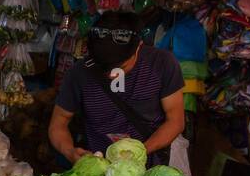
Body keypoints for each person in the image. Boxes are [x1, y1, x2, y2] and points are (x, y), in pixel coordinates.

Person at [49, 10, 186, 167]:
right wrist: (69, 151)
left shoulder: (162, 64)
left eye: (121, 66)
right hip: (101, 169)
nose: (112, 75)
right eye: (104, 68)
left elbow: (175, 121)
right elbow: (58, 123)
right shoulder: (79, 72)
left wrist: (138, 153)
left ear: (138, 46)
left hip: (153, 167)